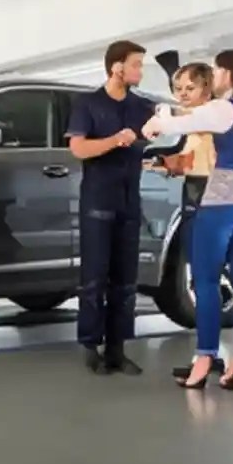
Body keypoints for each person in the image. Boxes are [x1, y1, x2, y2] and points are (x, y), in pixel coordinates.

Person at [142, 49, 233, 390]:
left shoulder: (223, 108)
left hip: (221, 204)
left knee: (207, 282)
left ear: (228, 72)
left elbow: (184, 122)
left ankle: (203, 361)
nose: (214, 75)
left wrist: (157, 120)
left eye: (217, 69)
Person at [66, 40, 156, 376]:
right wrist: (115, 140)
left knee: (126, 281)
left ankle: (117, 349)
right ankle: (91, 346)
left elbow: (160, 137)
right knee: (93, 279)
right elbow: (79, 148)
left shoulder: (143, 107)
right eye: (136, 64)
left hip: (130, 201)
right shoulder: (87, 104)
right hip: (97, 202)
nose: (140, 71)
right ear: (117, 67)